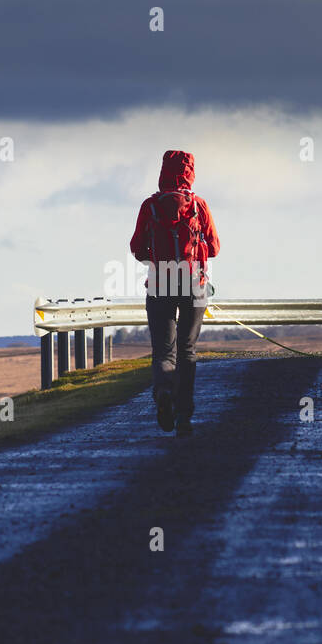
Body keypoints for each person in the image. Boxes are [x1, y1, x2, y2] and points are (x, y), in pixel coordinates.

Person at [129, 150, 220, 435]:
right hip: (194, 283)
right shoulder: (198, 204)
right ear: (190, 173)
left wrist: (154, 258)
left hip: (159, 284)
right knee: (187, 350)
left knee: (163, 351)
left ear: (163, 173)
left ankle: (164, 392)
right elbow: (215, 247)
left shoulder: (150, 205)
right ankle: (183, 415)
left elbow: (136, 248)